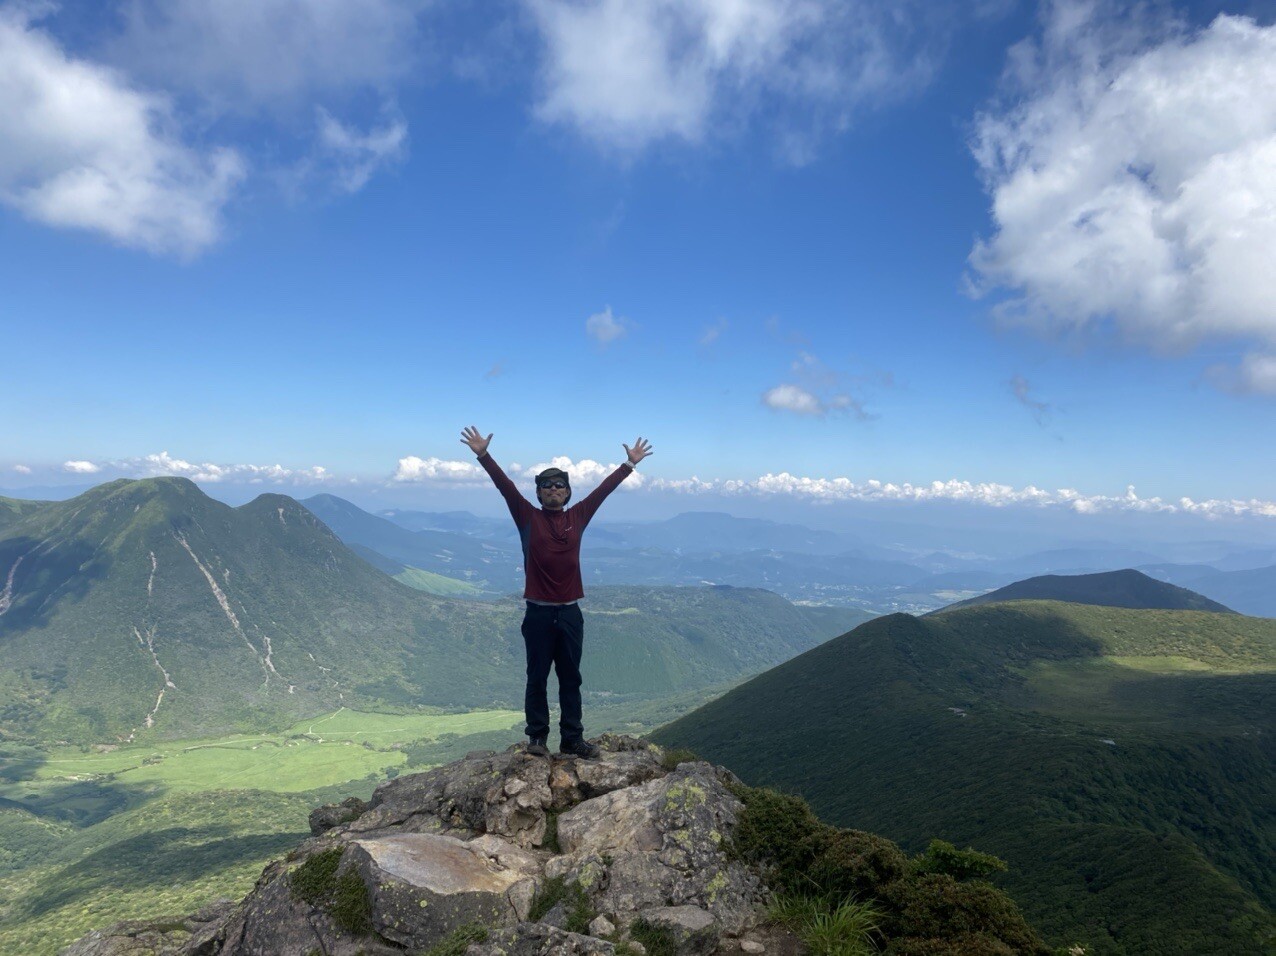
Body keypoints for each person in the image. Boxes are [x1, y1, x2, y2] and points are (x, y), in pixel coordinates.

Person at [460, 425, 653, 759]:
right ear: (538, 493)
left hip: (569, 612)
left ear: (567, 493)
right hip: (537, 612)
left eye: (559, 485)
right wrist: (483, 456)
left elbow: (602, 491)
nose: (553, 489)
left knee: (570, 680)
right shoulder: (527, 516)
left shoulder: (578, 515)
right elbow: (504, 487)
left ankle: (571, 740)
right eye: (546, 485)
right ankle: (537, 739)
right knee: (536, 678)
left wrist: (629, 465)